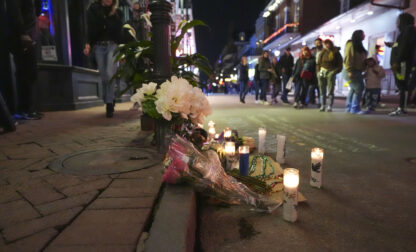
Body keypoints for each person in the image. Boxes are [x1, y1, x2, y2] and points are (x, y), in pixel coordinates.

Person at [84, 0, 123, 118]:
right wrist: (87, 43)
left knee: (109, 74)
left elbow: (120, 33)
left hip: (113, 46)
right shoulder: (93, 10)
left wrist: (122, 50)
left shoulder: (118, 12)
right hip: (98, 46)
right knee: (103, 75)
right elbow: (89, 28)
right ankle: (109, 97)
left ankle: (109, 103)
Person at [5, 0, 42, 120]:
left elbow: (37, 11)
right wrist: (22, 33)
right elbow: (14, 13)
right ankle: (24, 110)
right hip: (22, 37)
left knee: (31, 72)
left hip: (31, 35)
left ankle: (29, 109)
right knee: (24, 72)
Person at [387, 13, 416, 116]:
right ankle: (401, 107)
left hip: (402, 64)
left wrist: (397, 62)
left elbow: (404, 47)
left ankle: (402, 108)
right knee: (401, 85)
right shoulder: (406, 31)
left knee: (403, 85)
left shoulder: (409, 30)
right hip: (400, 63)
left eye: (398, 20)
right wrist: (393, 44)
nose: (397, 23)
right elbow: (401, 45)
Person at [343, 30, 367, 114]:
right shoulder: (351, 44)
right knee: (359, 88)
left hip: (357, 71)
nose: (364, 35)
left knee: (353, 89)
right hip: (351, 71)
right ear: (358, 35)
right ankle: (354, 108)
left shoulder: (359, 45)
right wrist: (349, 71)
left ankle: (349, 108)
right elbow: (348, 58)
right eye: (363, 34)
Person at [316, 39, 343, 112]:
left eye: (329, 43)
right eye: (326, 44)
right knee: (322, 90)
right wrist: (318, 72)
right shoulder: (322, 52)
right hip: (322, 72)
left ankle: (329, 106)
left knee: (330, 90)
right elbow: (318, 63)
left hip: (331, 72)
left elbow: (340, 64)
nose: (327, 45)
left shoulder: (336, 52)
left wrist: (334, 72)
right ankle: (322, 105)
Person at [310, 38, 324, 106]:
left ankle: (320, 102)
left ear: (321, 43)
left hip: (322, 71)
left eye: (318, 43)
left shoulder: (324, 51)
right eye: (316, 43)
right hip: (314, 72)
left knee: (320, 87)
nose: (317, 44)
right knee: (313, 86)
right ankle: (312, 99)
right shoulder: (314, 52)